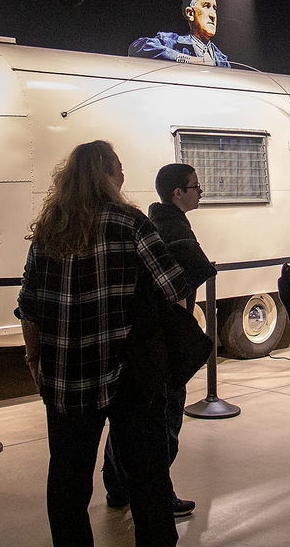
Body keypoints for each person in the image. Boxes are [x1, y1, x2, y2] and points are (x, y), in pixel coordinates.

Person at [18, 141, 186, 547]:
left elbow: (29, 305)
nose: (124, 175)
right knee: (148, 477)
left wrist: (34, 355)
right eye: (120, 167)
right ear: (109, 174)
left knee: (67, 482)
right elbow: (173, 287)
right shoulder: (130, 223)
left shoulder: (48, 230)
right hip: (130, 373)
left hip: (65, 375)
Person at [103, 163, 215, 517]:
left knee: (126, 422)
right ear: (177, 194)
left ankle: (118, 487)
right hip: (163, 340)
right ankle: (158, 494)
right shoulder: (172, 227)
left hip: (137, 338)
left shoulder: (154, 220)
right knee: (164, 422)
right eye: (195, 187)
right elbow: (183, 279)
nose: (200, 192)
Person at [129, 0, 230, 67]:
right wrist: (184, 59)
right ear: (190, 13)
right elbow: (137, 47)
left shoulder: (222, 60)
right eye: (206, 6)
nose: (213, 15)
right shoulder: (170, 42)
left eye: (214, 8)